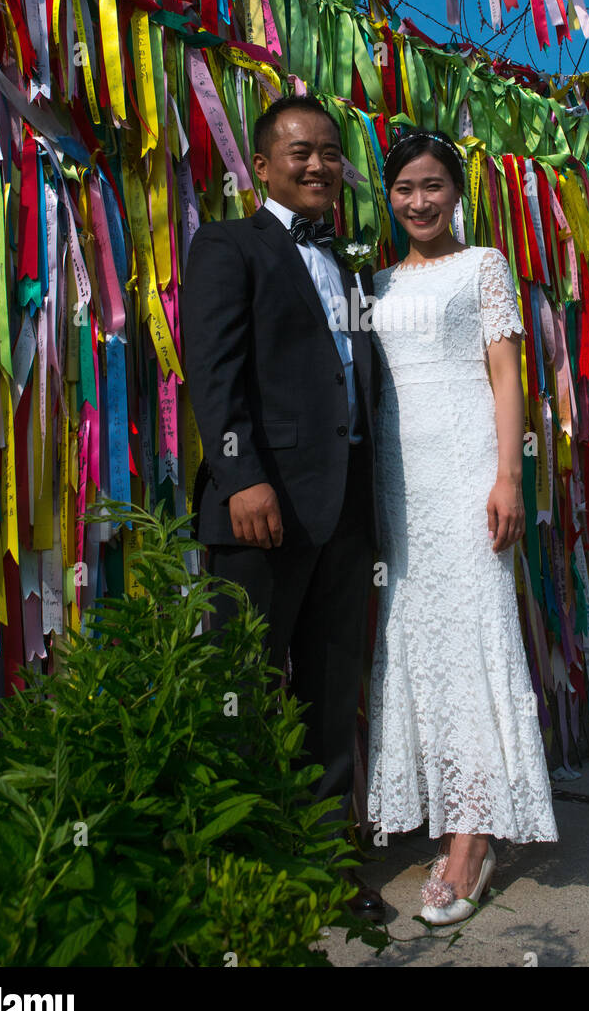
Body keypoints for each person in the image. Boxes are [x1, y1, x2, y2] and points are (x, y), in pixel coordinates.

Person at [180, 93, 384, 922]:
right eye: (300, 152)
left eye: (330, 153)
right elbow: (213, 372)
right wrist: (243, 480)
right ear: (260, 165)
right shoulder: (229, 245)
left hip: (345, 513)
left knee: (331, 695)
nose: (317, 165)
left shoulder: (349, 264)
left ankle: (327, 866)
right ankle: (238, 871)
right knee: (242, 691)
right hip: (260, 507)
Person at [366, 129, 558, 925]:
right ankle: (443, 809)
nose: (419, 201)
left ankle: (469, 845)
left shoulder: (483, 265)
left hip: (470, 471)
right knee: (416, 639)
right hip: (396, 481)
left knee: (474, 636)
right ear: (388, 194)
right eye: (405, 188)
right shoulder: (369, 280)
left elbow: (508, 372)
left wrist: (509, 475)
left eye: (433, 186)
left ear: (455, 192)